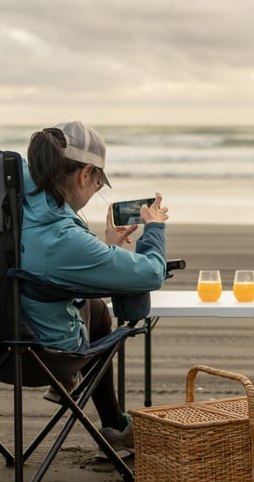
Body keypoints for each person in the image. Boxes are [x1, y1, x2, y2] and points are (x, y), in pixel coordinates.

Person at [20, 121, 169, 458]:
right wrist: (154, 229)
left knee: (91, 304)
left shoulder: (6, 211)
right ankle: (111, 423)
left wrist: (104, 249)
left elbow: (50, 262)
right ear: (86, 174)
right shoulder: (64, 238)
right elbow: (151, 274)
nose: (96, 188)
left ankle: (112, 424)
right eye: (99, 180)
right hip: (43, 355)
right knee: (99, 312)